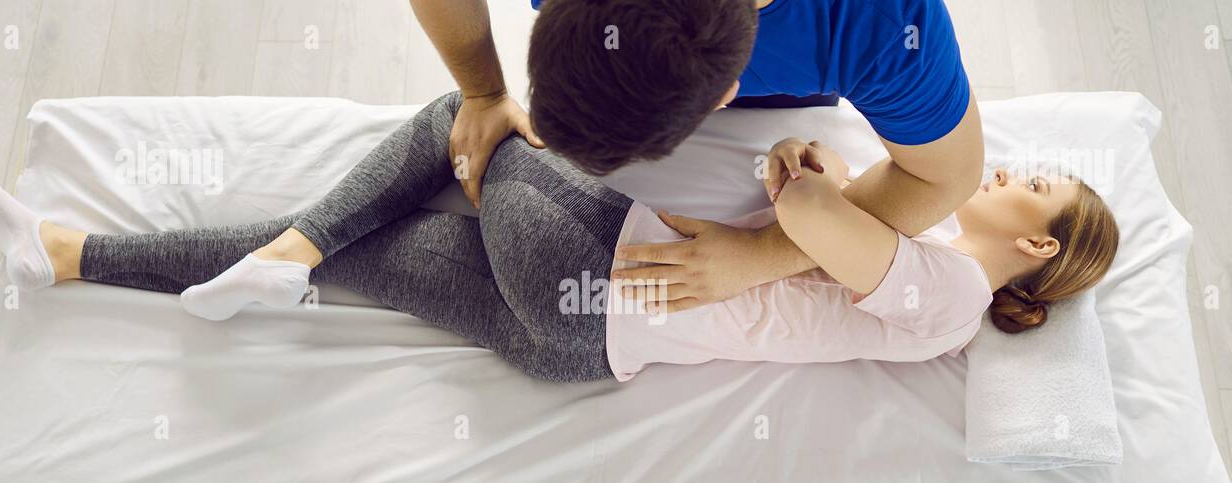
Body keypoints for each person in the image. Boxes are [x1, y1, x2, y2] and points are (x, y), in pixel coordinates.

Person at [0, 93, 1118, 383]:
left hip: (590, 279)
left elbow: (814, 222)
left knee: (462, 123)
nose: (1016, 170)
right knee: (356, 256)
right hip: (577, 339)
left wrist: (804, 185)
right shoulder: (925, 265)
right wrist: (807, 186)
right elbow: (819, 226)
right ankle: (72, 257)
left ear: (1033, 251)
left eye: (1042, 190)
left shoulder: (955, 300)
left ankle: (293, 251)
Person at [411, 0, 985, 312]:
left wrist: (764, 255)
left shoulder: (881, 22)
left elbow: (945, 179)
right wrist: (482, 90)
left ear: (724, 96)